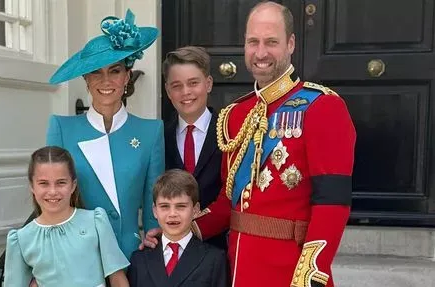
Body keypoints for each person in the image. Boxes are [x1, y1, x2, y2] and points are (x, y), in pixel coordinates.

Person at [144, 2, 356, 287]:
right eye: (253, 42)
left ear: (291, 43)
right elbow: (228, 203)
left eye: (271, 42)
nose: (261, 53)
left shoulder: (322, 107)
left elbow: (332, 203)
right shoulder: (235, 115)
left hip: (290, 272)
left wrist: (310, 274)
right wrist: (183, 229)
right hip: (236, 270)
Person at [46, 9, 164, 260]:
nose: (105, 80)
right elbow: (50, 201)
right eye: (96, 72)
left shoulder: (151, 132)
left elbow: (155, 209)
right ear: (86, 80)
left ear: (127, 77)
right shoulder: (61, 129)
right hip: (77, 259)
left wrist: (153, 244)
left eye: (115, 70)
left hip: (130, 257)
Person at [4, 146, 130, 287]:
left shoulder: (95, 222)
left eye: (61, 183)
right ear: (32, 187)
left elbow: (118, 280)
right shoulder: (22, 239)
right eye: (44, 183)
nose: (52, 191)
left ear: (73, 185)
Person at [162, 46, 227, 250]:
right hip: (172, 249)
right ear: (167, 91)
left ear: (208, 84)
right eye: (177, 85)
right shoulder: (160, 136)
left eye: (193, 83)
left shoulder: (229, 131)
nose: (186, 92)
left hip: (219, 247)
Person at [127, 169, 228, 287]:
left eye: (181, 206)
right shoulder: (139, 260)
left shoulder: (214, 259)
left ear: (195, 210)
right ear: (155, 211)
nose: (172, 214)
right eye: (164, 206)